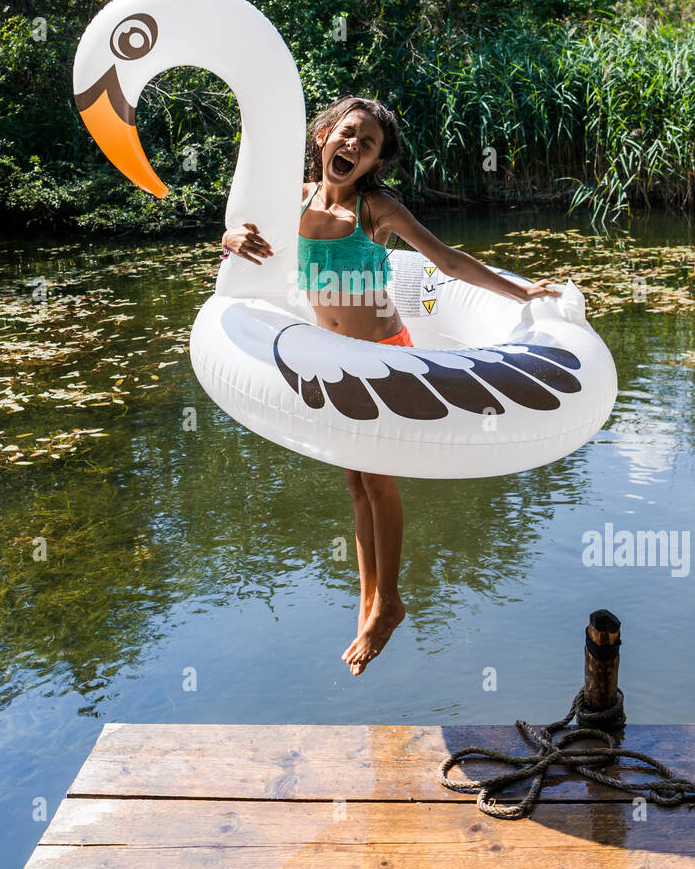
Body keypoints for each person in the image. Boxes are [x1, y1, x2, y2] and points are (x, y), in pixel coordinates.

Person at [221, 96, 560, 676]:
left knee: (377, 482)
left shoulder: (375, 210)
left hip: (381, 358)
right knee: (355, 482)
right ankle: (369, 599)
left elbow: (447, 261)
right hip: (334, 358)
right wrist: (230, 239)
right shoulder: (294, 199)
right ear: (324, 135)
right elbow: (238, 232)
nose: (353, 145)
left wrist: (521, 293)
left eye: (368, 143)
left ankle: (392, 600)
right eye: (347, 134)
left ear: (376, 161)